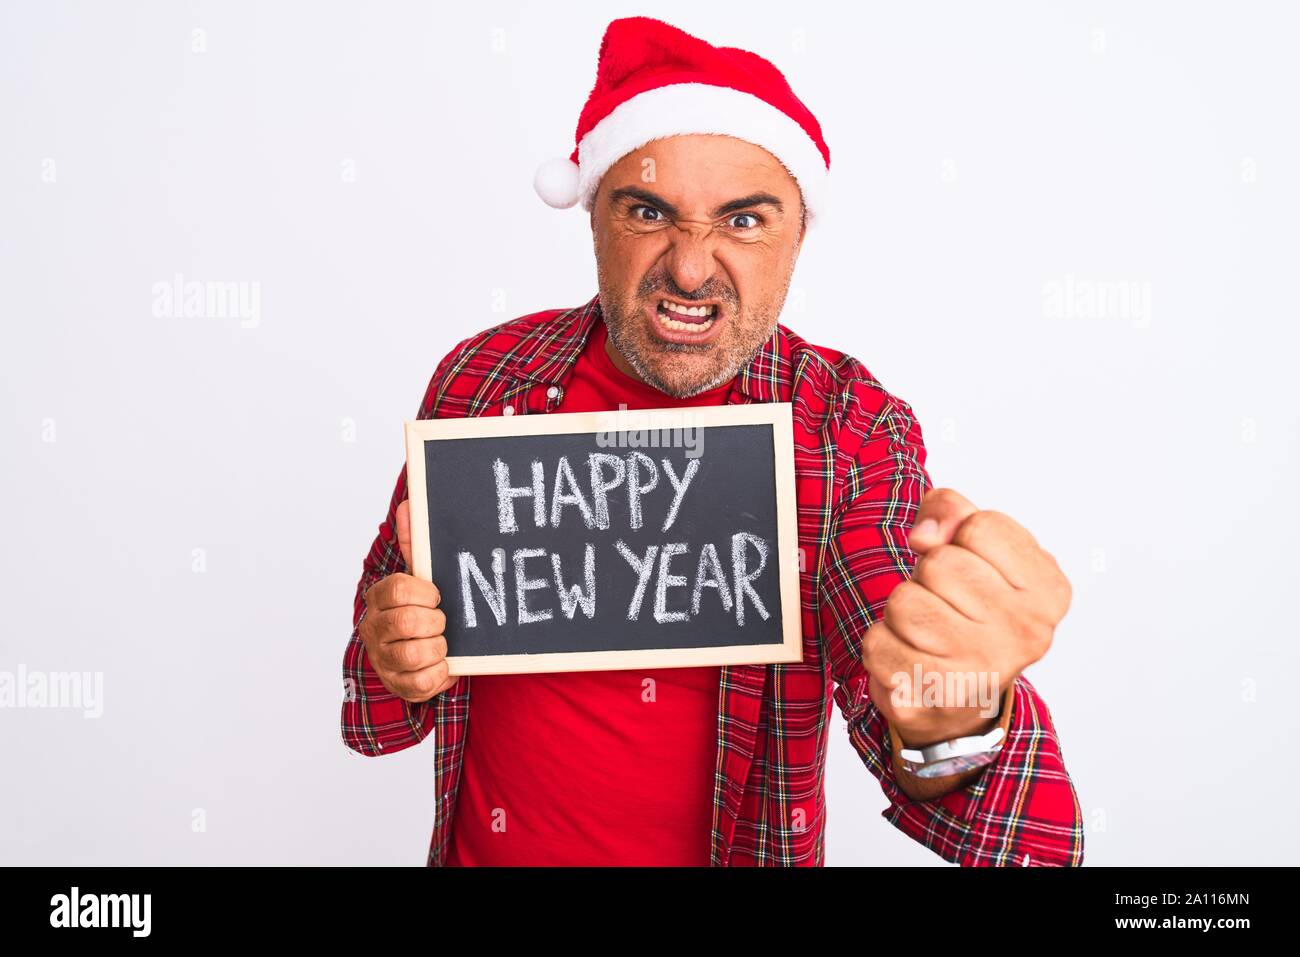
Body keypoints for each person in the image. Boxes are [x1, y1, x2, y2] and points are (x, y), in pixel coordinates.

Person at [341, 16, 1082, 867]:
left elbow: (944, 747)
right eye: (649, 210)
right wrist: (393, 647)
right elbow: (374, 704)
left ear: (798, 233)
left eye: (743, 219)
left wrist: (953, 707)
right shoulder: (482, 382)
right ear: (593, 218)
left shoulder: (846, 430)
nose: (690, 267)